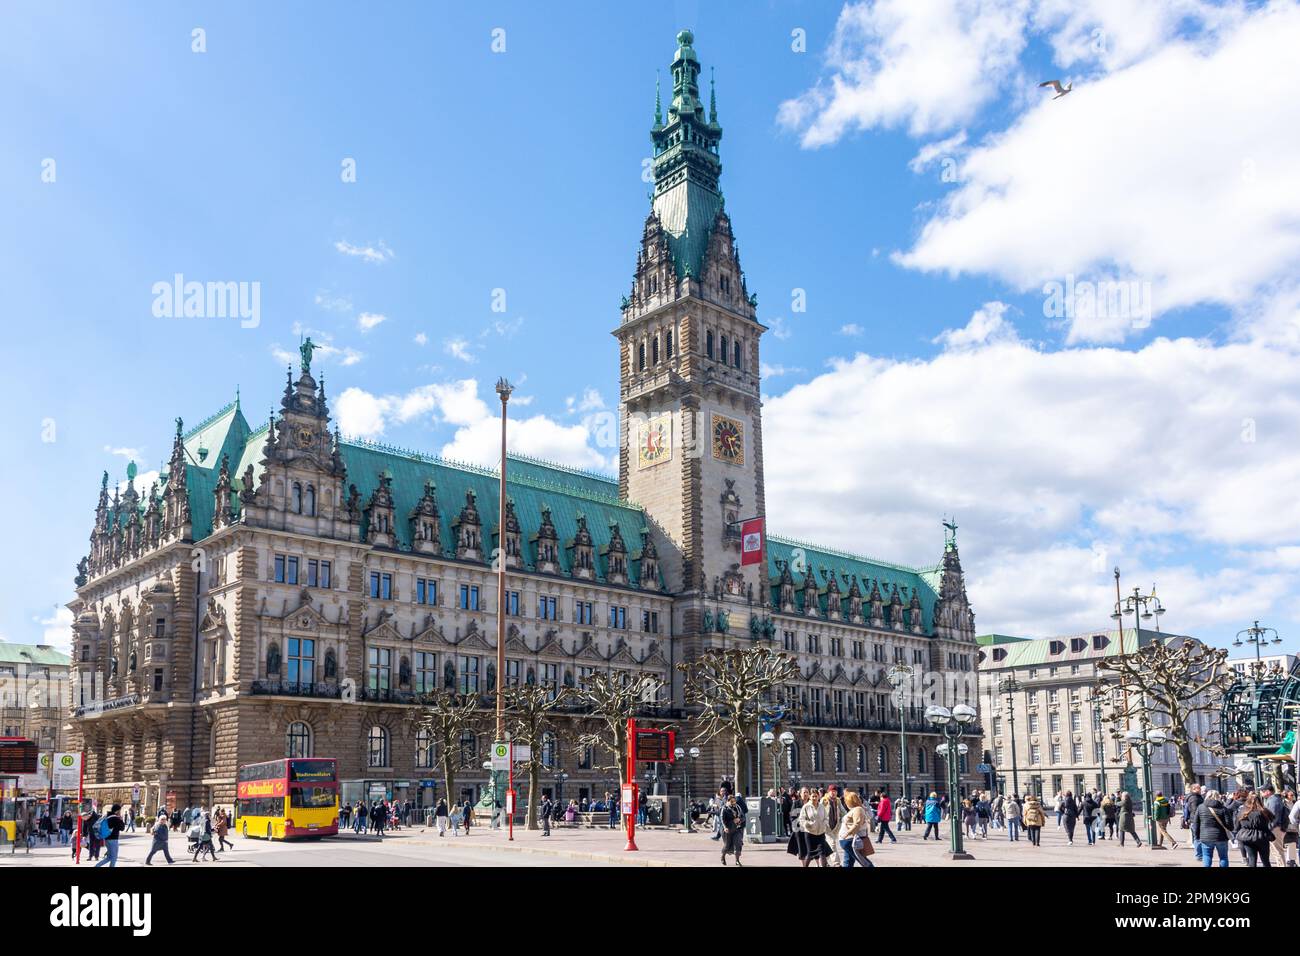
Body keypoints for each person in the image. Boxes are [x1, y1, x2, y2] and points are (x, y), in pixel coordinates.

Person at [1193, 789, 1235, 868]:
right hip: (1221, 837)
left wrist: (1197, 836)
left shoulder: (1201, 807)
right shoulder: (1223, 808)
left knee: (1207, 855)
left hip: (1205, 836)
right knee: (1223, 857)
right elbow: (1229, 825)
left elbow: (1196, 823)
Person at [1234, 791, 1273, 867]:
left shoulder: (1243, 812)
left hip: (1248, 837)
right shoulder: (1264, 812)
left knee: (1252, 859)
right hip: (1262, 836)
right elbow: (1272, 822)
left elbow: (1237, 826)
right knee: (1265, 860)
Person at [838, 790, 874, 868]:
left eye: (846, 801)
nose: (845, 803)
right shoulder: (856, 809)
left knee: (864, 862)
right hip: (849, 840)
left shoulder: (858, 809)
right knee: (848, 862)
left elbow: (857, 824)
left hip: (851, 840)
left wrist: (846, 834)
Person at [1261, 786, 1288, 867]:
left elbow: (1273, 817)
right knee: (1276, 851)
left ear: (1268, 791)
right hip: (1275, 828)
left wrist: (1269, 828)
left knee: (1278, 851)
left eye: (1263, 791)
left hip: (1275, 829)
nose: (1261, 792)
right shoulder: (1272, 799)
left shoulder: (1273, 800)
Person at [719, 794, 746, 866]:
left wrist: (739, 819)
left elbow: (743, 817)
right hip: (727, 829)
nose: (734, 803)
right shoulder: (724, 808)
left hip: (737, 829)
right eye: (732, 801)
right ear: (728, 801)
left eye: (734, 801)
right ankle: (722, 857)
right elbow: (722, 819)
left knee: (738, 844)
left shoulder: (738, 807)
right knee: (727, 845)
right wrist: (725, 827)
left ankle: (737, 860)